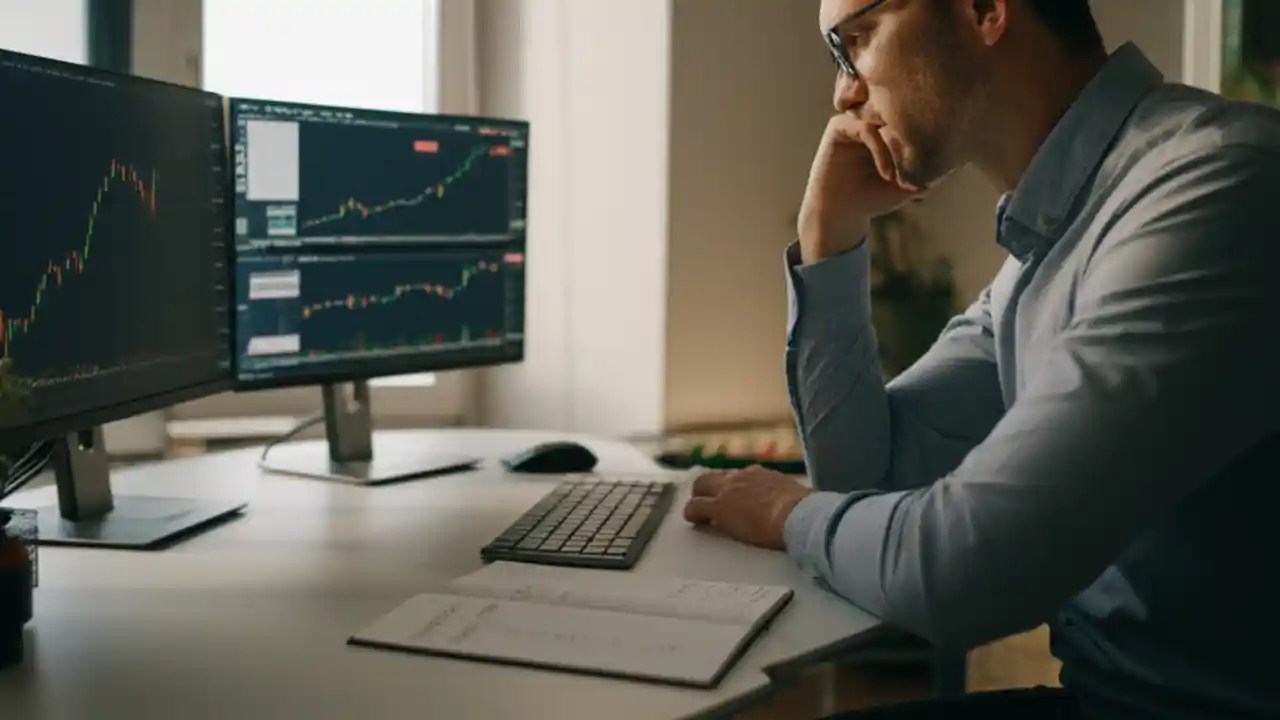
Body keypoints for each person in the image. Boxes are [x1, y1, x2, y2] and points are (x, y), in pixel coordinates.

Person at [681, 1, 1280, 718]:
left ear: (985, 9)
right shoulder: (1050, 244)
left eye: (858, 41)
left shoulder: (1215, 188)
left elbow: (960, 574)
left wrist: (787, 513)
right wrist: (828, 232)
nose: (844, 93)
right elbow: (866, 478)